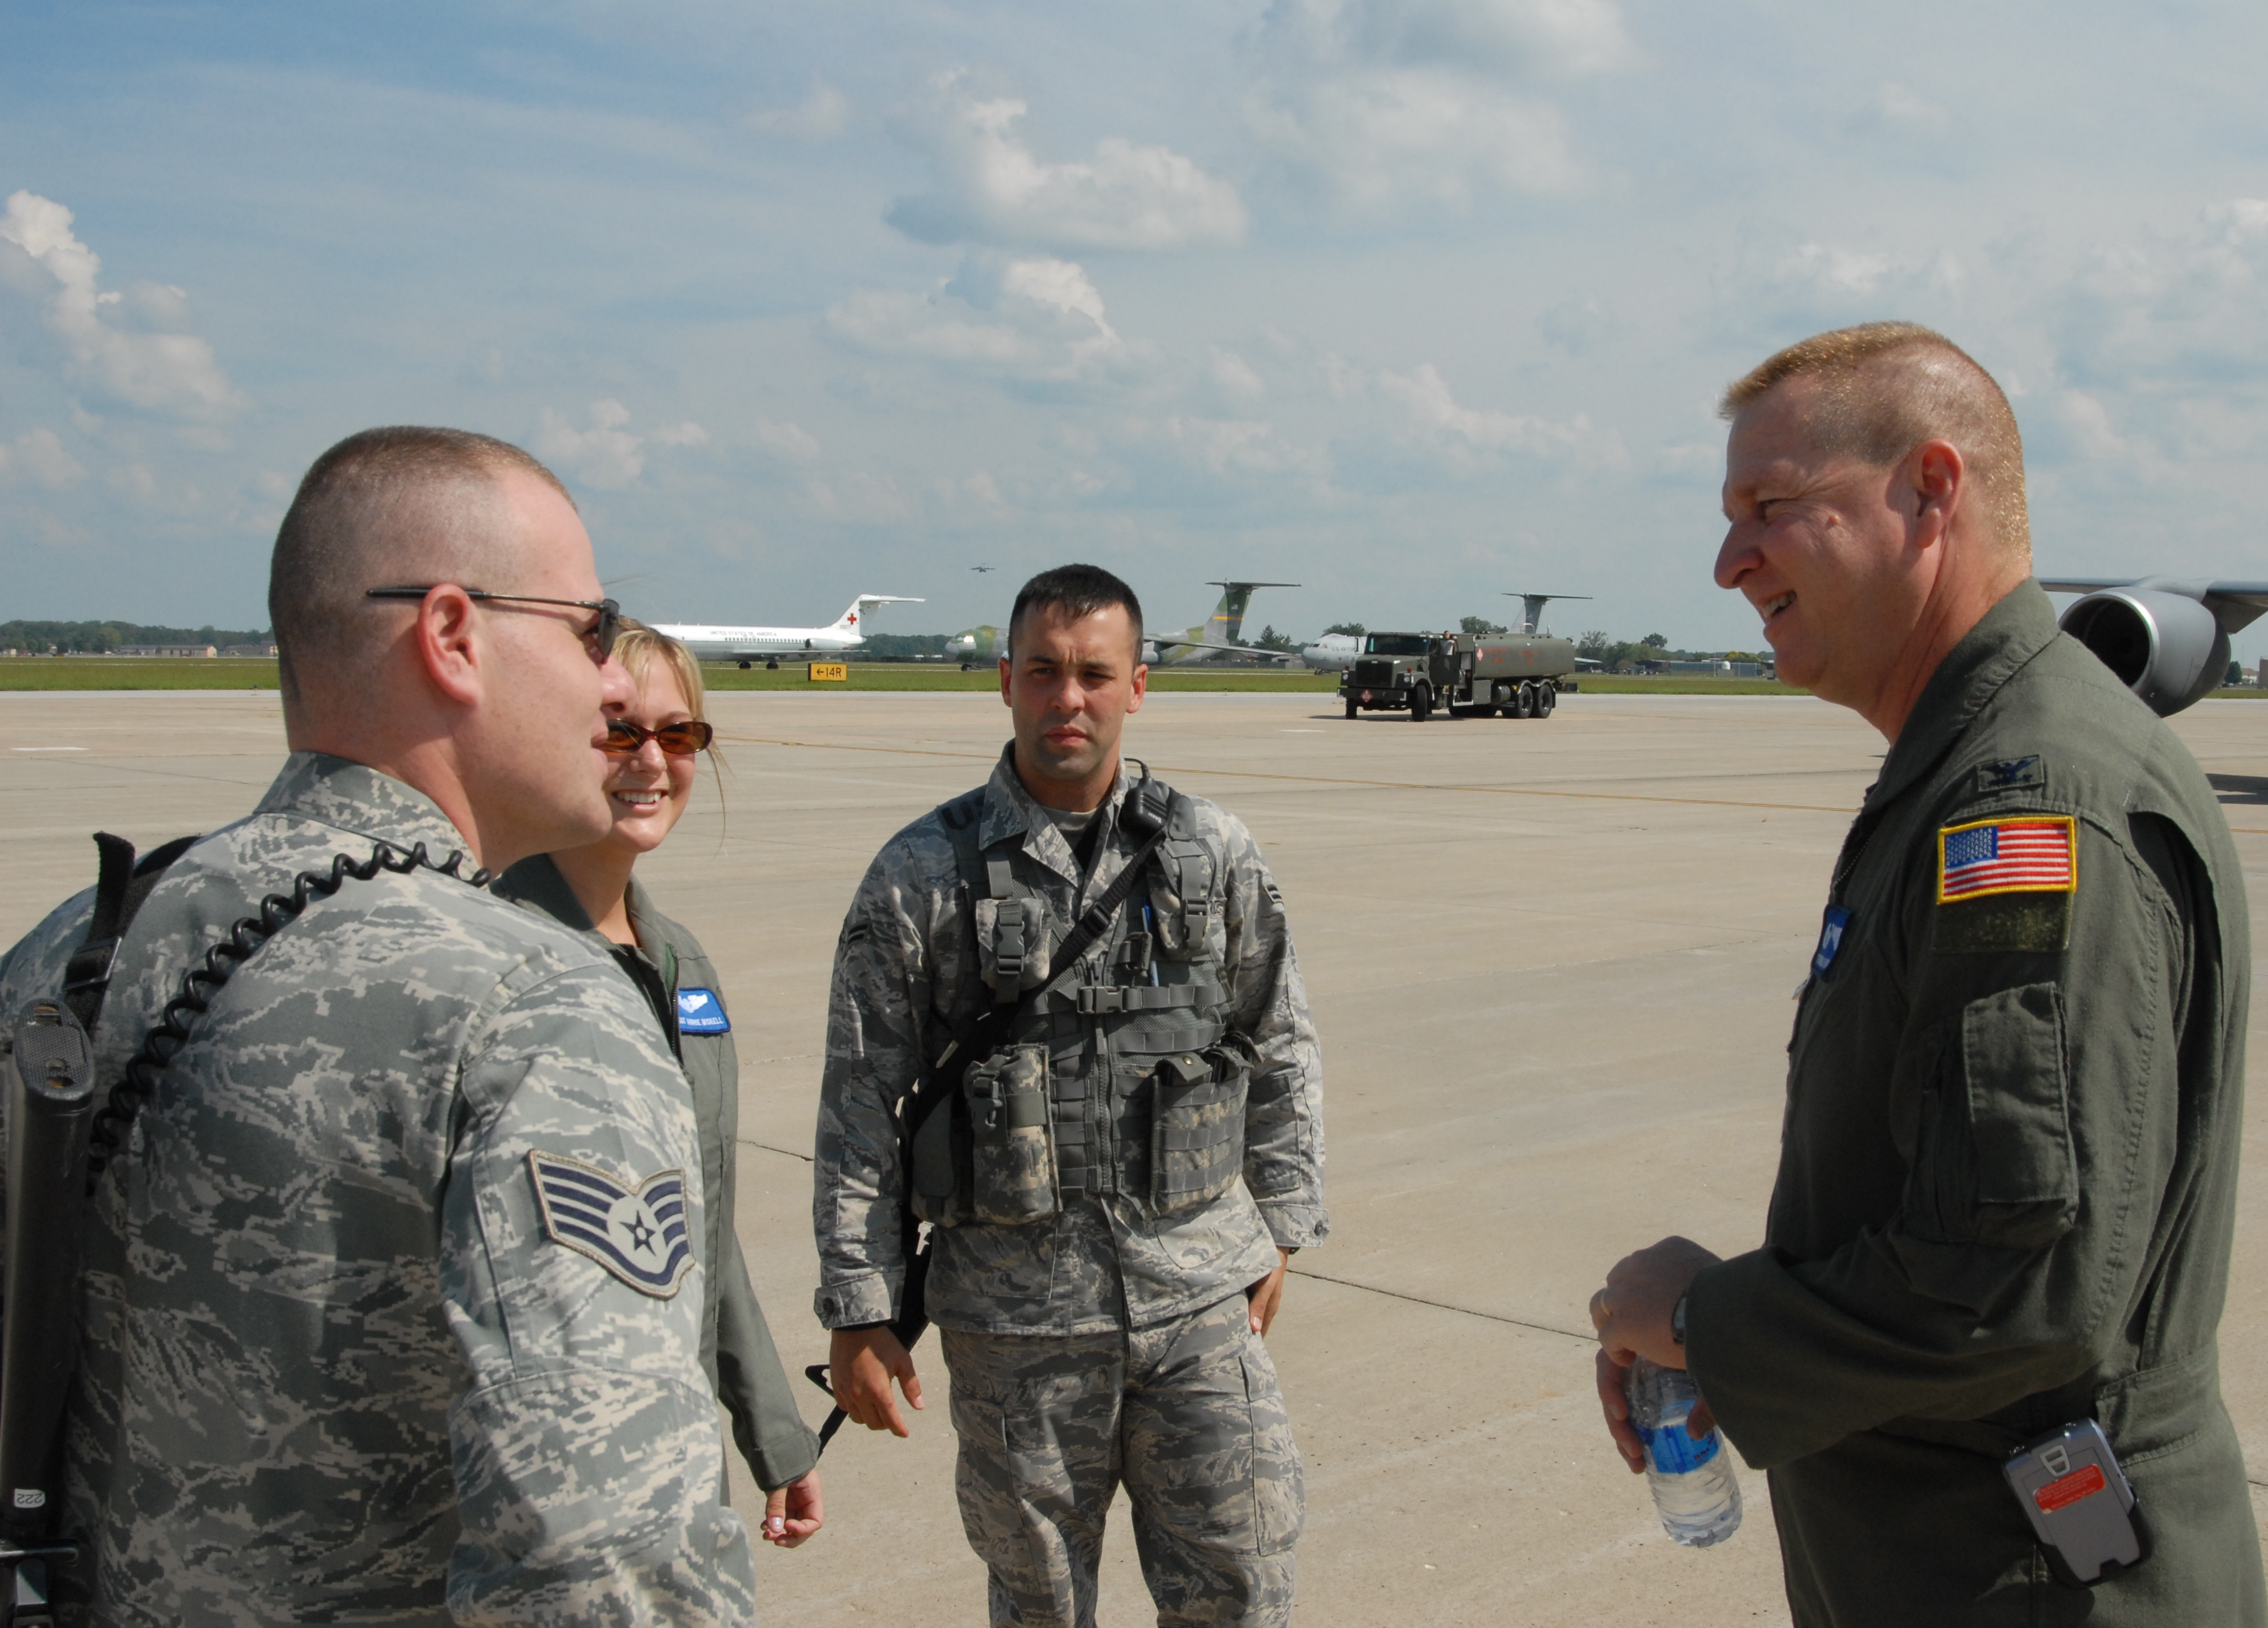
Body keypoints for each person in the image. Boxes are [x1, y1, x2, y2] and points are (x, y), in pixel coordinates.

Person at [0, 427, 757, 1622]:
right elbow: (606, 1555)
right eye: (590, 629)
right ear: (452, 635)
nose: (614, 686)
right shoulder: (534, 1006)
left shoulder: (64, 951)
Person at [1587, 324, 2264, 1625]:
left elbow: (2021, 1286)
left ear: (1930, 491)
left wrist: (1712, 1322)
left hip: (2025, 1577)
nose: (1729, 562)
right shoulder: (1967, 768)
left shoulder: (2032, 803)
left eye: (1772, 507)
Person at [812, 563, 1327, 1627]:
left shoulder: (1208, 849)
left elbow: (1277, 1038)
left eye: (1094, 673)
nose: (1069, 698)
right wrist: (861, 1306)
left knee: (1242, 1589)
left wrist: (1282, 1221)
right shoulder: (923, 871)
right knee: (1039, 1604)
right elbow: (860, 1101)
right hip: (1016, 1331)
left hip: (1199, 1302)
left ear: (1137, 686)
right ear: (1007, 680)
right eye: (1044, 671)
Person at [491, 622, 824, 1543]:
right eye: (618, 731)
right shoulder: (494, 955)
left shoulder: (681, 963)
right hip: (538, 1483)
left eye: (679, 735)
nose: (650, 760)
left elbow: (697, 1227)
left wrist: (775, 1435)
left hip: (671, 1461)